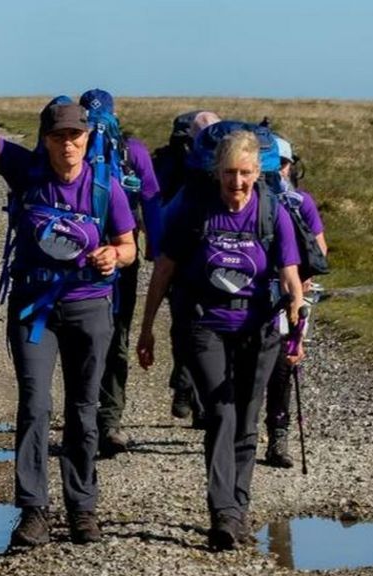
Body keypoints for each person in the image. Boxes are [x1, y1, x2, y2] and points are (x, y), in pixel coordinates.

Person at [0, 47, 137, 547]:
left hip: (89, 307)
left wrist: (114, 255)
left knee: (84, 412)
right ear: (45, 139)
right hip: (33, 309)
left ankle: (83, 510)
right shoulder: (25, 170)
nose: (68, 146)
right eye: (59, 136)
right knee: (35, 407)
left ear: (88, 139)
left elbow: (130, 248)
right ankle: (33, 513)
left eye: (76, 137)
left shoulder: (106, 186)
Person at [137, 130, 304, 550]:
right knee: (221, 414)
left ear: (257, 173)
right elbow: (163, 271)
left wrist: (295, 317)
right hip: (205, 324)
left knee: (247, 420)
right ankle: (222, 514)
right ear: (217, 172)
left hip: (257, 329)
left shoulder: (272, 211)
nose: (237, 182)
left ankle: (238, 509)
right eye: (230, 172)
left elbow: (289, 273)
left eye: (246, 173)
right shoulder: (196, 208)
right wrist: (146, 328)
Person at [77, 89, 161, 458]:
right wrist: (156, 250)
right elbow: (153, 201)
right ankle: (109, 422)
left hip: (78, 255)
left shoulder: (74, 142)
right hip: (123, 255)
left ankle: (85, 417)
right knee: (117, 336)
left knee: (79, 337)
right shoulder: (134, 151)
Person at [262, 136, 328, 469]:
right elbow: (320, 249)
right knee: (285, 363)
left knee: (280, 363)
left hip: (273, 290)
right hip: (291, 291)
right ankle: (277, 438)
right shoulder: (301, 200)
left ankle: (272, 435)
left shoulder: (293, 202)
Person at [153, 111, 222, 426]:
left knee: (187, 327)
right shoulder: (193, 172)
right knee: (195, 329)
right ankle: (192, 394)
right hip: (189, 258)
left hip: (178, 256)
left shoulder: (174, 163)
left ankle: (188, 390)